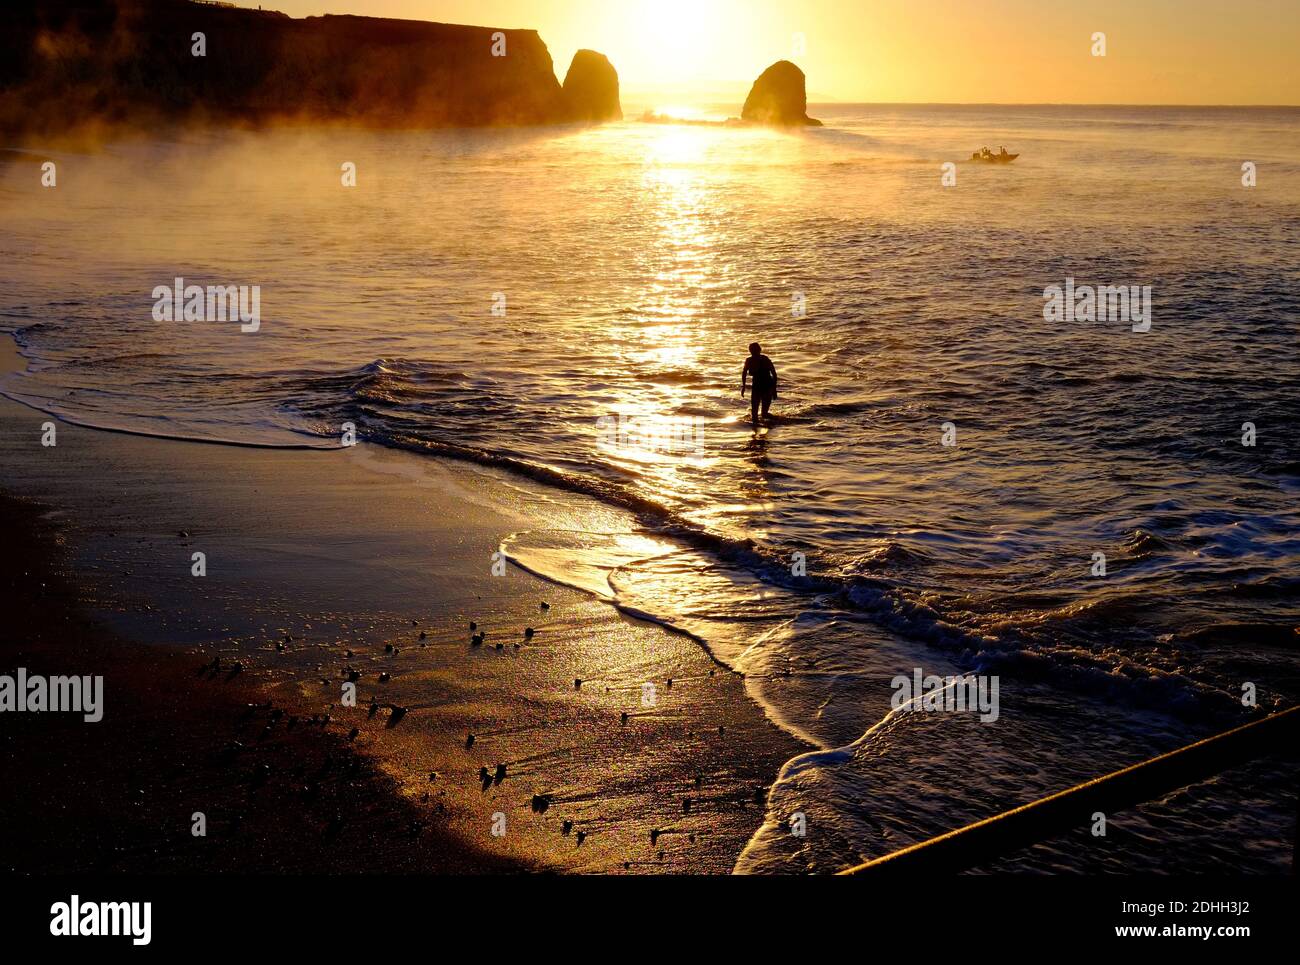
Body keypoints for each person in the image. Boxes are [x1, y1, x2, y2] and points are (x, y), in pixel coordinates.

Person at [741, 342, 777, 424]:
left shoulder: (765, 359)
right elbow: (744, 373)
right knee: (754, 416)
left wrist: (774, 390)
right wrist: (743, 387)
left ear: (759, 350)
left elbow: (774, 374)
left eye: (754, 350)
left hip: (767, 386)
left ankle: (780, 421)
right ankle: (754, 434)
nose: (753, 352)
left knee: (764, 414)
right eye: (751, 351)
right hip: (756, 386)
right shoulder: (749, 360)